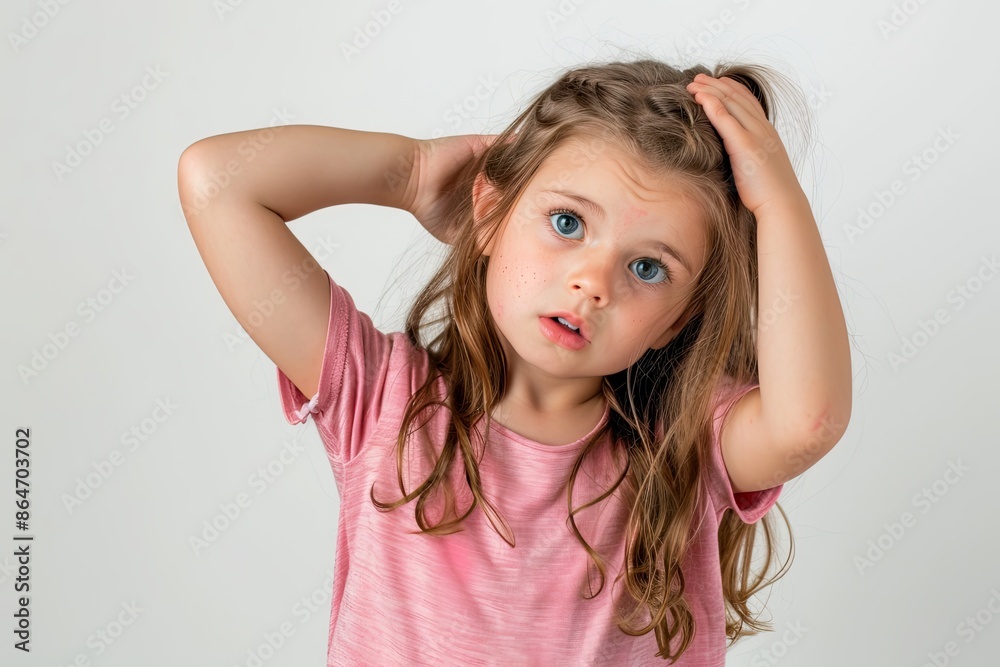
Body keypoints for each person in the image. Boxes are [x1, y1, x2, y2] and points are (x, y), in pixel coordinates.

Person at [177, 56, 852, 665]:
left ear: (677, 318)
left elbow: (808, 420)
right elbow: (216, 183)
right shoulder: (382, 399)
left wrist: (778, 201)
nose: (593, 281)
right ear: (492, 212)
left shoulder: (687, 445)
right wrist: (411, 174)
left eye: (647, 267)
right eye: (567, 223)